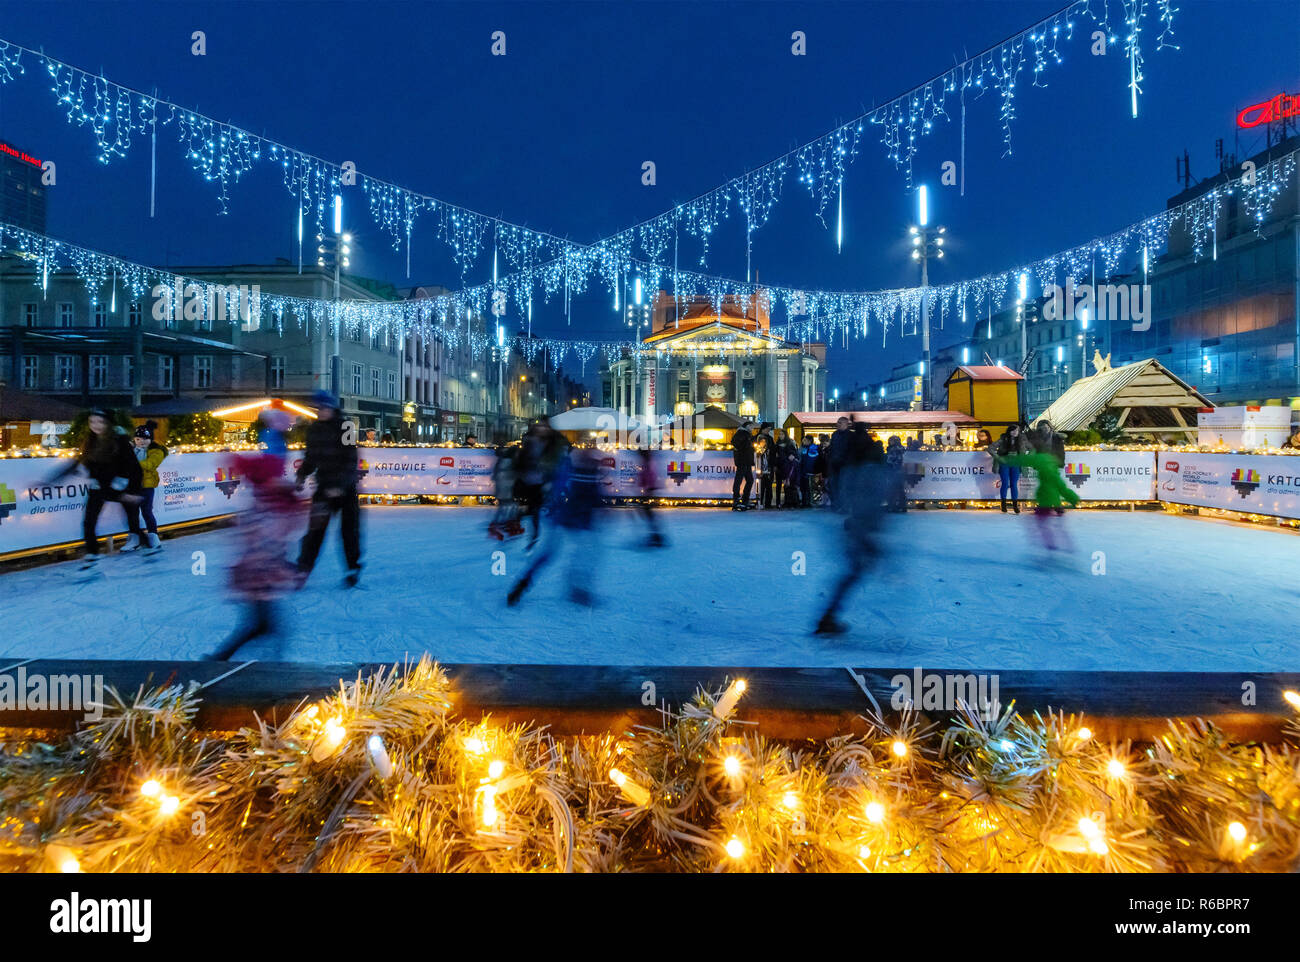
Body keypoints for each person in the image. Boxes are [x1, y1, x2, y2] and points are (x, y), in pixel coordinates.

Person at [210, 409, 302, 660]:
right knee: (265, 627)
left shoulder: (271, 502)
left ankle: (222, 658)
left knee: (263, 626)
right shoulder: (265, 508)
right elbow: (266, 541)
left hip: (260, 578)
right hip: (258, 579)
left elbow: (289, 521)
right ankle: (223, 660)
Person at [814, 423, 891, 635]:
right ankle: (828, 617)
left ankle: (828, 616)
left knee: (853, 573)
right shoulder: (867, 467)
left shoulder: (851, 464)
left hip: (858, 525)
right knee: (853, 572)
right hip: (861, 526)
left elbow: (849, 494)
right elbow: (868, 498)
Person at [48, 409, 144, 573]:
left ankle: (148, 543)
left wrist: (131, 490)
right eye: (92, 422)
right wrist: (51, 480)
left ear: (107, 423)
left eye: (100, 422)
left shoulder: (118, 440)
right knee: (89, 521)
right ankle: (92, 553)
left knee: (130, 519)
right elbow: (77, 463)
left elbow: (132, 466)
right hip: (98, 486)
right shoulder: (90, 441)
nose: (96, 426)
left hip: (117, 485)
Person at [507, 446, 605, 607]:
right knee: (574, 553)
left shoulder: (578, 469)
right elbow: (577, 493)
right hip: (573, 518)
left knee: (580, 553)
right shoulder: (577, 470)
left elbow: (586, 494)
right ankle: (525, 584)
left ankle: (525, 583)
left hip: (572, 518)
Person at [295, 390, 363, 587]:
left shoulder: (347, 427)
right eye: (317, 408)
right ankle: (303, 568)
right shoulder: (314, 429)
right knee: (315, 531)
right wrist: (301, 475)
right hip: (324, 487)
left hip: (345, 489)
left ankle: (352, 568)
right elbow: (310, 457)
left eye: (323, 408)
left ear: (332, 407)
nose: (319, 412)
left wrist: (340, 486)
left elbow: (352, 460)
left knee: (349, 531)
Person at [1001, 447, 1079, 551]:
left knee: (1041, 524)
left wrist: (1008, 461)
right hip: (1056, 504)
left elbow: (1025, 460)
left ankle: (1051, 545)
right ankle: (1066, 545)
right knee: (1055, 526)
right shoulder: (1054, 471)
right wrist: (1074, 499)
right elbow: (1063, 490)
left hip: (1045, 504)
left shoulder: (1044, 464)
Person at [514, 417, 567, 549]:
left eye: (545, 427)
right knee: (528, 508)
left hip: (542, 481)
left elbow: (557, 460)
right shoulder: (529, 441)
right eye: (540, 427)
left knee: (535, 509)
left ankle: (534, 535)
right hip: (527, 480)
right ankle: (520, 526)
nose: (542, 429)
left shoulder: (553, 443)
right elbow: (520, 459)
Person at [131, 420, 168, 554]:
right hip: (133, 486)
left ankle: (153, 536)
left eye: (145, 439)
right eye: (138, 438)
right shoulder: (132, 450)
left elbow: (150, 465)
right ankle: (136, 539)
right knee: (133, 513)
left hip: (146, 486)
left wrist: (133, 464)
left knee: (146, 511)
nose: (141, 441)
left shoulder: (155, 451)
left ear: (150, 439)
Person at [990, 424, 1029, 514]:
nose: (1015, 432)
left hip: (1016, 463)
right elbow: (990, 448)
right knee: (1005, 483)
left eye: (1017, 431)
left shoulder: (1021, 440)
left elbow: (1032, 448)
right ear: (1009, 431)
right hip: (1005, 463)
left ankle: (1015, 505)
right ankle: (1003, 504)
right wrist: (999, 458)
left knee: (1014, 484)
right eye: (1013, 430)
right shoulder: (1003, 439)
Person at [633, 445, 667, 547]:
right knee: (649, 515)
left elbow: (648, 476)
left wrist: (645, 486)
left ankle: (656, 536)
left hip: (649, 492)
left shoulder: (647, 463)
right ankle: (655, 535)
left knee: (649, 515)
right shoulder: (647, 462)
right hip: (649, 491)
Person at [488, 436, 521, 541]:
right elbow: (507, 474)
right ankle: (499, 525)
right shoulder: (508, 462)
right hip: (504, 486)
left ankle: (506, 524)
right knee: (507, 506)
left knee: (508, 506)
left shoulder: (505, 460)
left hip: (505, 486)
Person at [824, 416, 851, 509]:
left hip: (845, 465)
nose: (838, 424)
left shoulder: (850, 436)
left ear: (846, 424)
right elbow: (832, 448)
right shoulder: (835, 434)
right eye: (838, 422)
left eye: (840, 423)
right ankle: (836, 504)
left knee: (843, 485)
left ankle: (844, 505)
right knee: (833, 485)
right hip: (834, 464)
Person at [731, 421, 756, 511]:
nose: (752, 428)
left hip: (747, 461)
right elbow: (735, 443)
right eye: (751, 426)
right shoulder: (741, 433)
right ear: (747, 426)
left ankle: (745, 499)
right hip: (742, 460)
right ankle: (736, 499)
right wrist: (744, 448)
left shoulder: (748, 435)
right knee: (739, 479)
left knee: (749, 480)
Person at [885, 435, 907, 513]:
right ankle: (902, 505)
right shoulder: (901, 449)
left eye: (890, 441)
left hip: (893, 472)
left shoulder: (893, 450)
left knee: (892, 489)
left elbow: (890, 461)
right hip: (900, 472)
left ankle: (893, 506)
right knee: (900, 489)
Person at [756, 426, 776, 509]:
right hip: (760, 472)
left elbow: (772, 459)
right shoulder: (757, 451)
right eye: (761, 442)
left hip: (768, 471)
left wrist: (772, 467)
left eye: (764, 442)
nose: (763, 443)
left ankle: (768, 504)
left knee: (769, 488)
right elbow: (756, 461)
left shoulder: (769, 450)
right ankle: (759, 503)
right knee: (761, 489)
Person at [799, 434, 820, 508]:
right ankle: (804, 502)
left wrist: (808, 470)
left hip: (810, 472)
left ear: (809, 441)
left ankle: (810, 502)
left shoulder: (813, 448)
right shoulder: (804, 448)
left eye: (805, 440)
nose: (803, 441)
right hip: (803, 471)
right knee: (804, 487)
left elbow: (811, 461)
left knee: (809, 487)